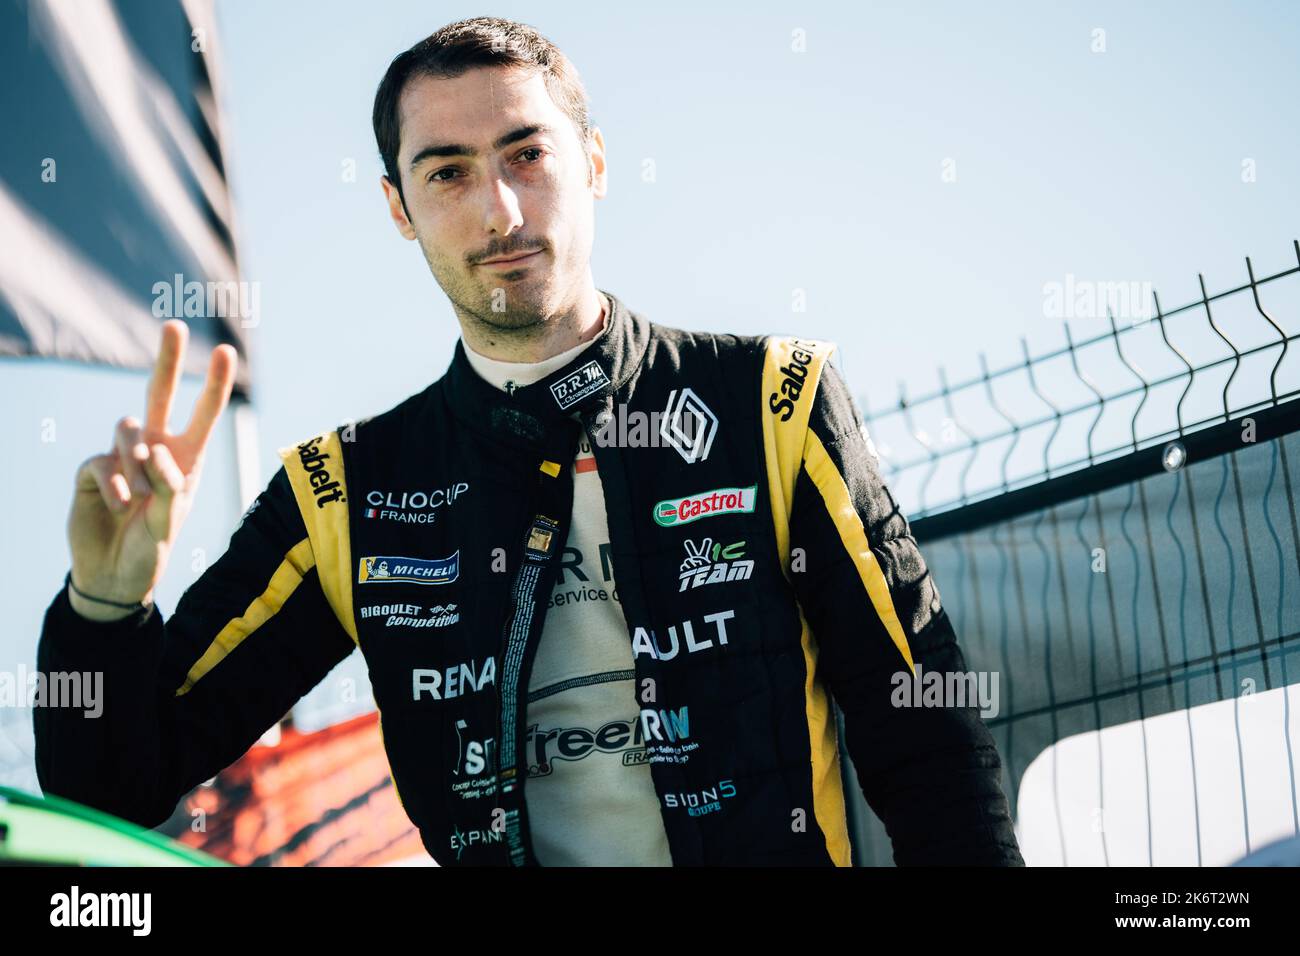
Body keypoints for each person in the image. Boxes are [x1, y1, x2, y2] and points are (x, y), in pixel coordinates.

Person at [34, 16, 1024, 867]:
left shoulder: (772, 398)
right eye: (449, 172)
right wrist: (104, 602)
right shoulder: (344, 493)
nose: (499, 210)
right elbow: (117, 783)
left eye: (526, 154)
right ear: (399, 209)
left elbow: (923, 725)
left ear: (592, 162)